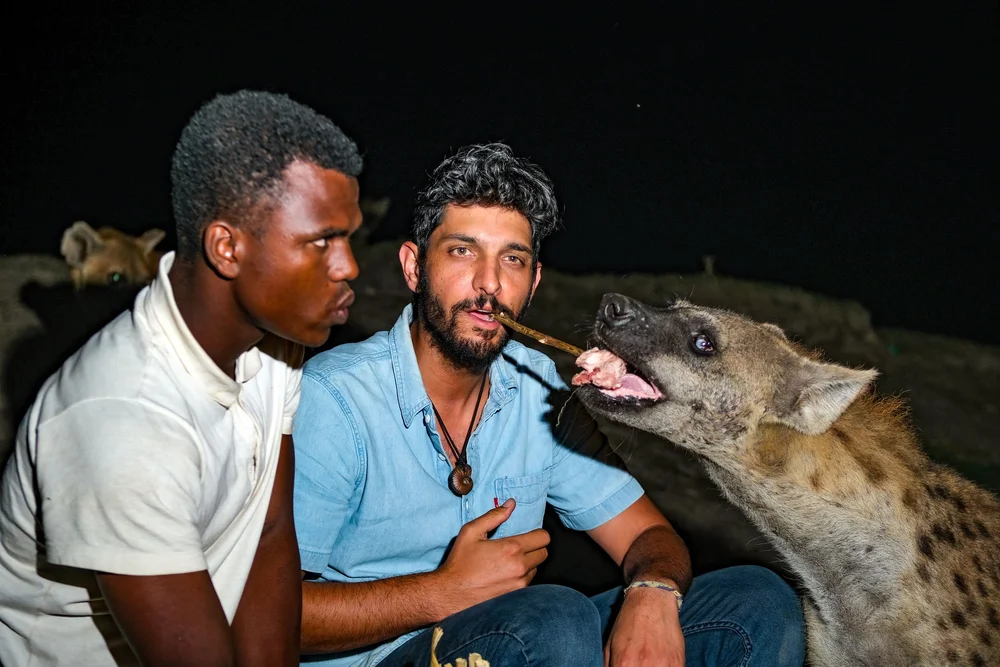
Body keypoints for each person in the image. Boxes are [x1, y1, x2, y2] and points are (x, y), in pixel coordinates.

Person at [291, 143, 806, 667]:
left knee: (756, 604)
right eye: (462, 251)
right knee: (553, 621)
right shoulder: (335, 399)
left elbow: (648, 535)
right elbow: (261, 613)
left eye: (512, 259)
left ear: (533, 282)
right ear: (414, 268)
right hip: (381, 660)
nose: (489, 284)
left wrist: (652, 593)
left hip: (516, 639)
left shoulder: (538, 390)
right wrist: (440, 593)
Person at [0, 90, 364, 667]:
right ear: (227, 247)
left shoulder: (273, 349)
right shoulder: (122, 418)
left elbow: (266, 536)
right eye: (321, 241)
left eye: (348, 238)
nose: (348, 267)